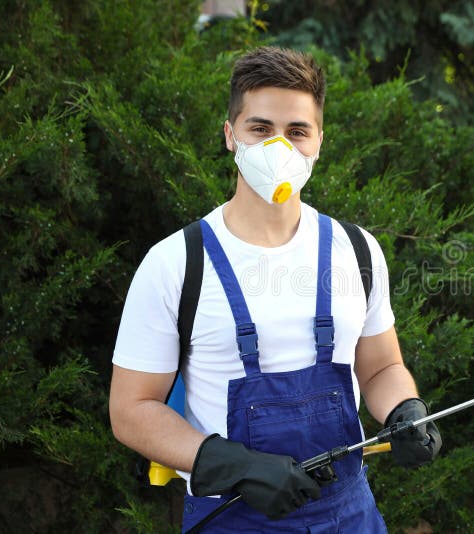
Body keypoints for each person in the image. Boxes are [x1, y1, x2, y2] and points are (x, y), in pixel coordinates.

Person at [108, 46, 441, 532]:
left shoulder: (357, 250)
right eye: (260, 129)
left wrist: (405, 410)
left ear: (319, 142)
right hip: (232, 518)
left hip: (350, 514)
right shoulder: (175, 263)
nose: (279, 148)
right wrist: (234, 467)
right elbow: (131, 410)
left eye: (297, 132)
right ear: (230, 135)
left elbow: (381, 367)